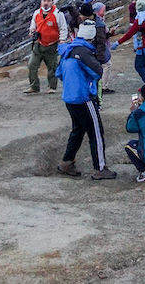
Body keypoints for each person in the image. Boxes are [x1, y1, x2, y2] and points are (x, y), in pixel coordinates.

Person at [56, 20, 116, 179]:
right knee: (96, 132)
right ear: (92, 38)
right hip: (83, 98)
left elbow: (59, 73)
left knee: (78, 130)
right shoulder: (84, 53)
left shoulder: (68, 51)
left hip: (69, 98)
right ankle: (100, 168)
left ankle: (67, 162)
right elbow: (97, 72)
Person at [25, 0, 67, 94]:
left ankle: (52, 87)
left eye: (48, 1)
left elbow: (63, 28)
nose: (46, 3)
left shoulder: (58, 14)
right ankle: (34, 86)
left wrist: (62, 40)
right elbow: (33, 25)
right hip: (38, 44)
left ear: (52, 2)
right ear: (41, 2)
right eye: (44, 1)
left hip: (52, 45)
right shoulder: (37, 13)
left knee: (52, 67)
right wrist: (32, 31)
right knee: (32, 65)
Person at [114, 0, 145, 87]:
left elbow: (129, 34)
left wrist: (117, 43)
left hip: (143, 46)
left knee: (138, 65)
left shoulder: (140, 20)